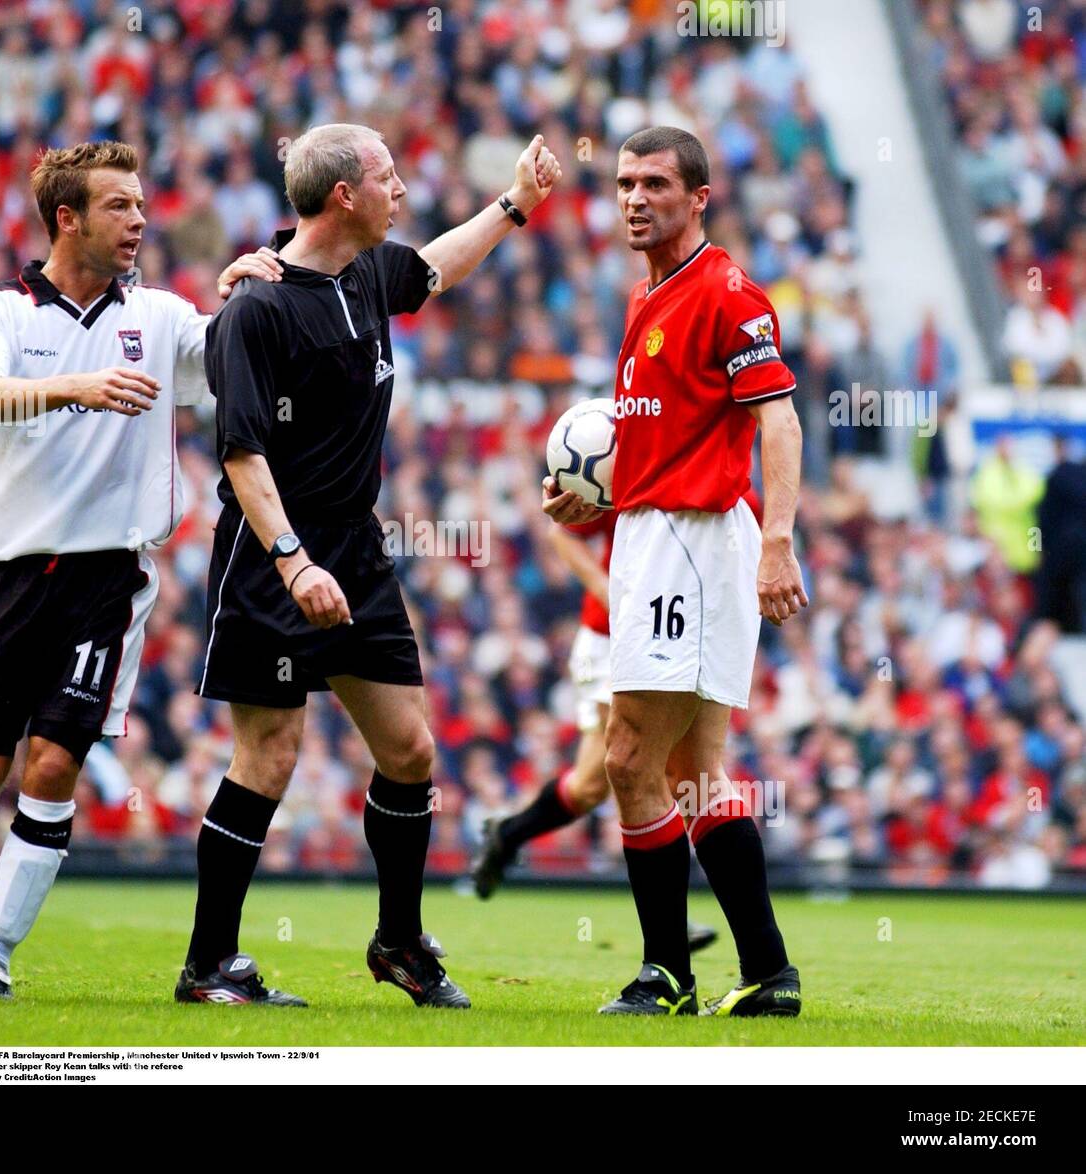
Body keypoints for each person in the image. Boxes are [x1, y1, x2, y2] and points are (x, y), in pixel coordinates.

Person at [179, 123, 560, 1009]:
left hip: (357, 549)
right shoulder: (256, 309)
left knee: (410, 749)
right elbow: (241, 452)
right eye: (388, 175)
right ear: (345, 194)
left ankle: (397, 942)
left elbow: (433, 267)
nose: (403, 187)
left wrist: (515, 206)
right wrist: (293, 562)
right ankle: (208, 965)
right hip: (272, 558)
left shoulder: (366, 273)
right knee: (268, 755)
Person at [0, 140, 278, 1001]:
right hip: (5, 575)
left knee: (50, 768)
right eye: (120, 206)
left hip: (106, 581)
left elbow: (224, 355)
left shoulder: (157, 313)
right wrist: (75, 386)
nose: (140, 220)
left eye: (142, 205)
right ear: (67, 217)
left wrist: (253, 289)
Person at [544, 126, 807, 1017]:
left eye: (654, 183)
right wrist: (594, 501)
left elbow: (779, 421)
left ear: (698, 197)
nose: (633, 198)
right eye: (623, 183)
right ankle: (769, 974)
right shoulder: (647, 295)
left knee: (626, 756)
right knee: (697, 774)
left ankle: (665, 975)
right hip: (654, 535)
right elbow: (657, 442)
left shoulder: (728, 294)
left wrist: (779, 540)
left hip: (694, 545)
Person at [469, 511, 719, 954]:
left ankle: (506, 835)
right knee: (645, 769)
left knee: (589, 788)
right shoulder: (630, 458)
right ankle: (670, 923)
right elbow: (563, 532)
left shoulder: (727, 484)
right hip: (611, 643)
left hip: (666, 640)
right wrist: (609, 594)